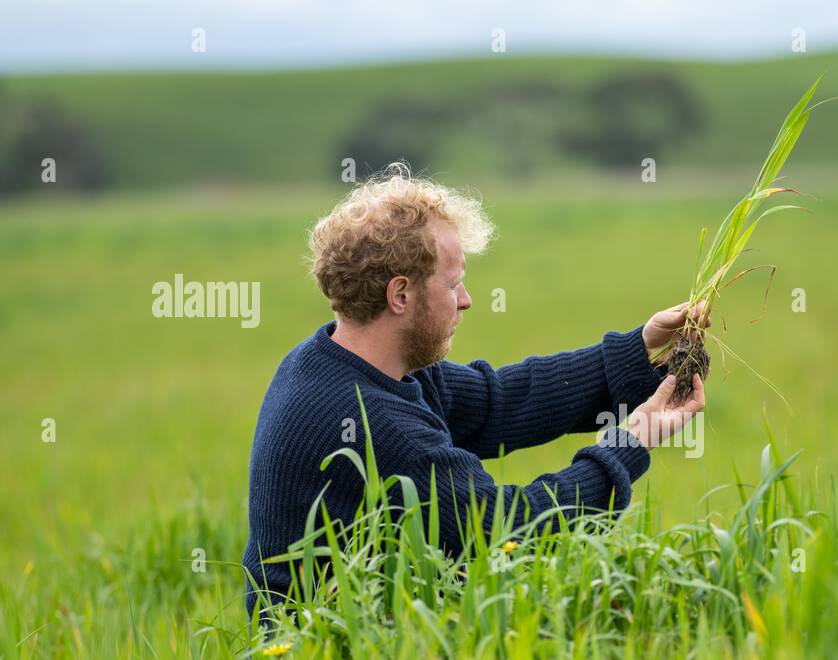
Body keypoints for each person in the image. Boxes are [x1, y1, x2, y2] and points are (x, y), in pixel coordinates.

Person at [241, 167, 706, 619]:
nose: (466, 300)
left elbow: (498, 402)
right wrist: (633, 443)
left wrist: (637, 349)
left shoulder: (342, 360)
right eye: (453, 283)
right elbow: (513, 529)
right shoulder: (372, 423)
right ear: (400, 295)